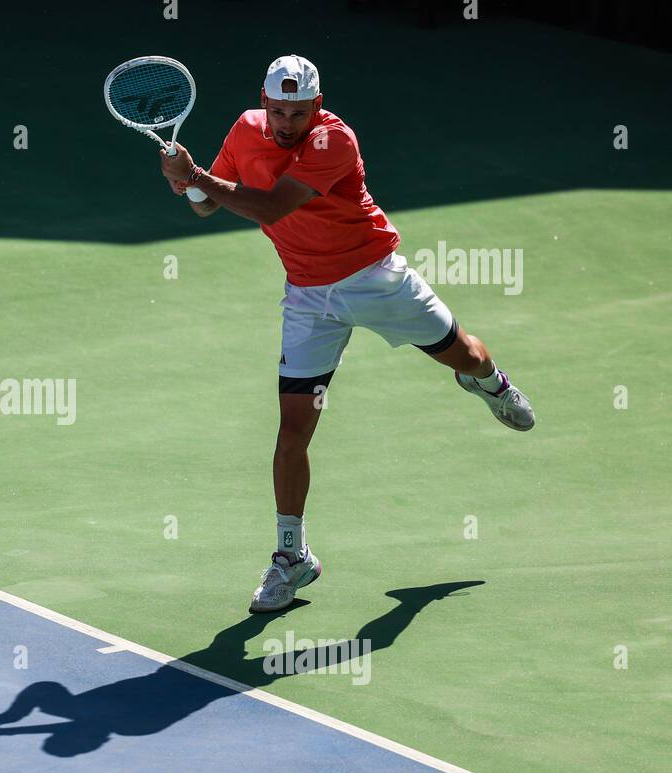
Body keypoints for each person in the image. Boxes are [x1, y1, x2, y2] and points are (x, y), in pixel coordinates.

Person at [159, 55, 535, 614]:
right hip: (309, 298)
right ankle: (292, 558)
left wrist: (194, 177)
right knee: (292, 432)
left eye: (299, 110)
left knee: (468, 355)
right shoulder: (246, 129)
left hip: (374, 279)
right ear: (265, 104)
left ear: (318, 104)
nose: (287, 121)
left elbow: (269, 207)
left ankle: (489, 383)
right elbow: (209, 204)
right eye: (279, 110)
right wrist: (185, 185)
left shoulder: (333, 141)